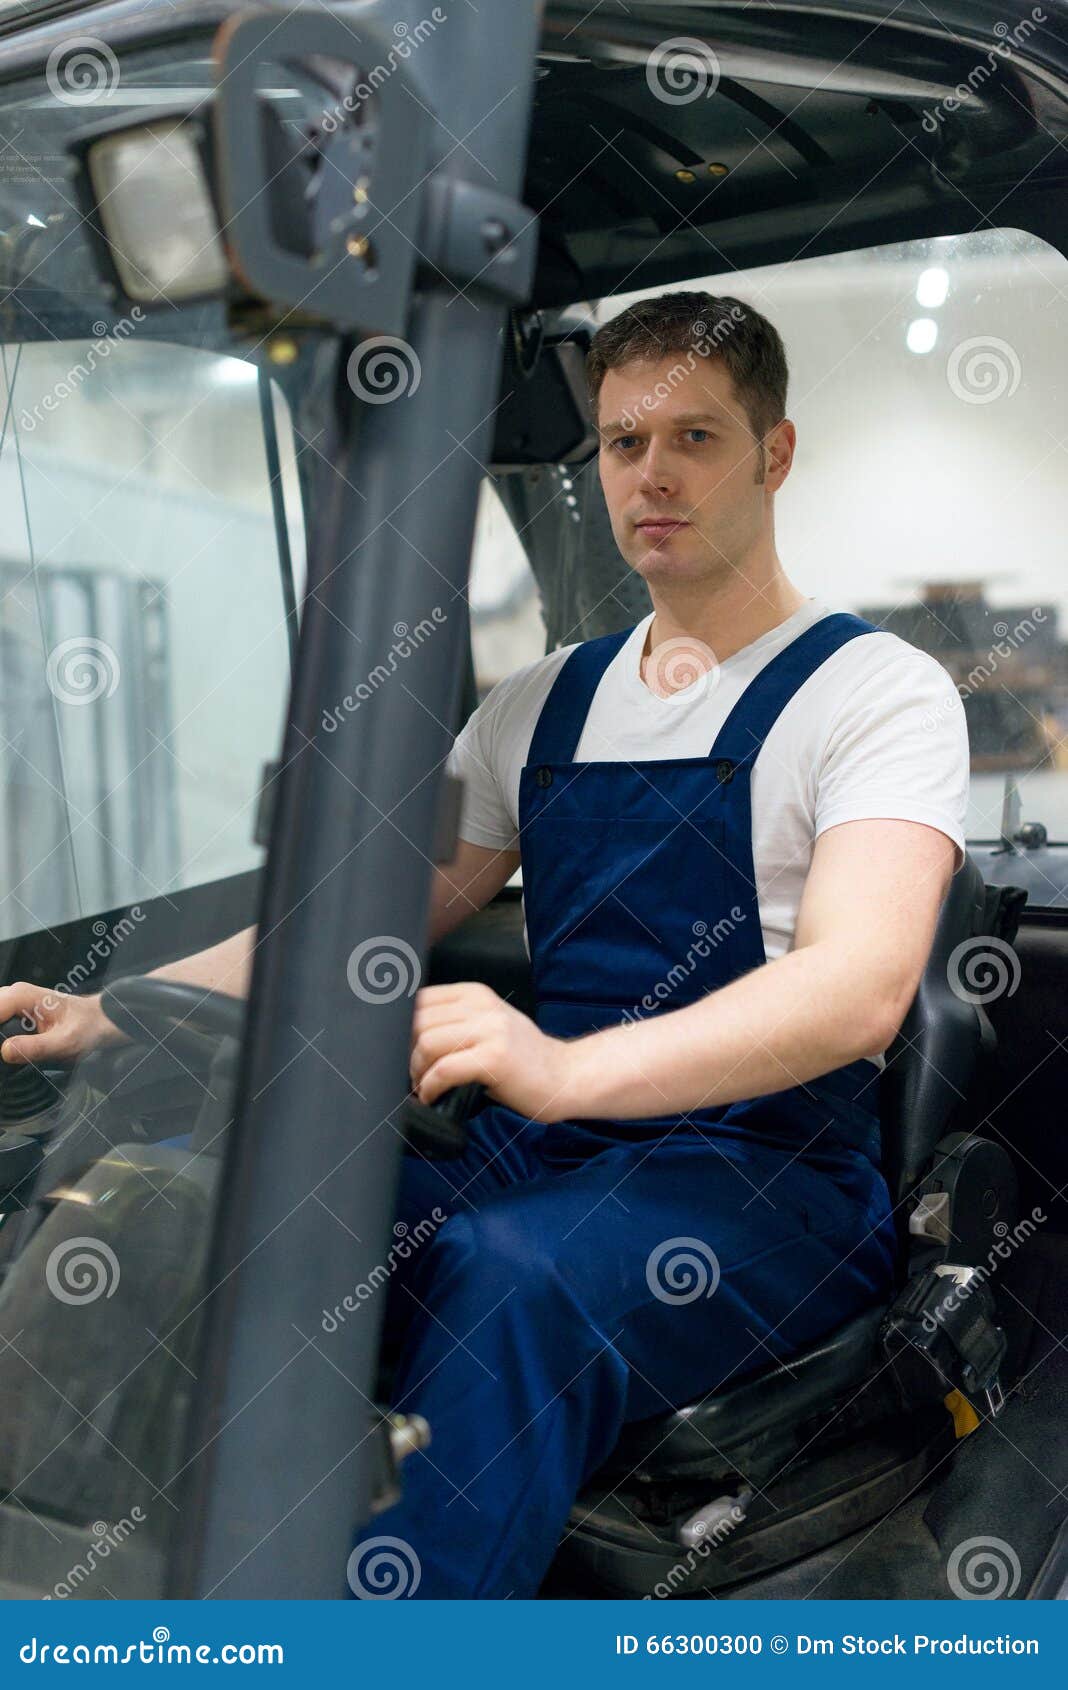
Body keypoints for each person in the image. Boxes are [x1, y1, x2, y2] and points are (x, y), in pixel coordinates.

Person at [0, 293, 969, 1601]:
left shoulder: (877, 692)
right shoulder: (539, 701)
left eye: (696, 436)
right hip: (553, 1143)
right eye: (625, 442)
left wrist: (564, 1067)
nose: (655, 474)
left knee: (511, 1276)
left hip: (763, 1176)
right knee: (213, 1201)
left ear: (774, 454)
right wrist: (117, 1005)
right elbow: (364, 905)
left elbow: (858, 989)